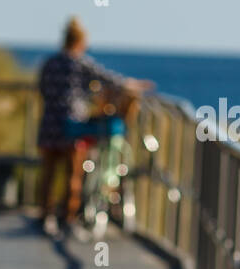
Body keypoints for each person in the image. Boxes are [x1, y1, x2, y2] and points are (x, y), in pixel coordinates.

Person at [36, 17, 154, 236]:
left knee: (48, 173)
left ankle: (46, 215)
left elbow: (41, 88)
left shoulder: (50, 62)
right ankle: (67, 216)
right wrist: (133, 85)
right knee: (73, 173)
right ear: (80, 42)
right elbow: (108, 78)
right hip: (71, 124)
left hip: (49, 122)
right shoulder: (80, 63)